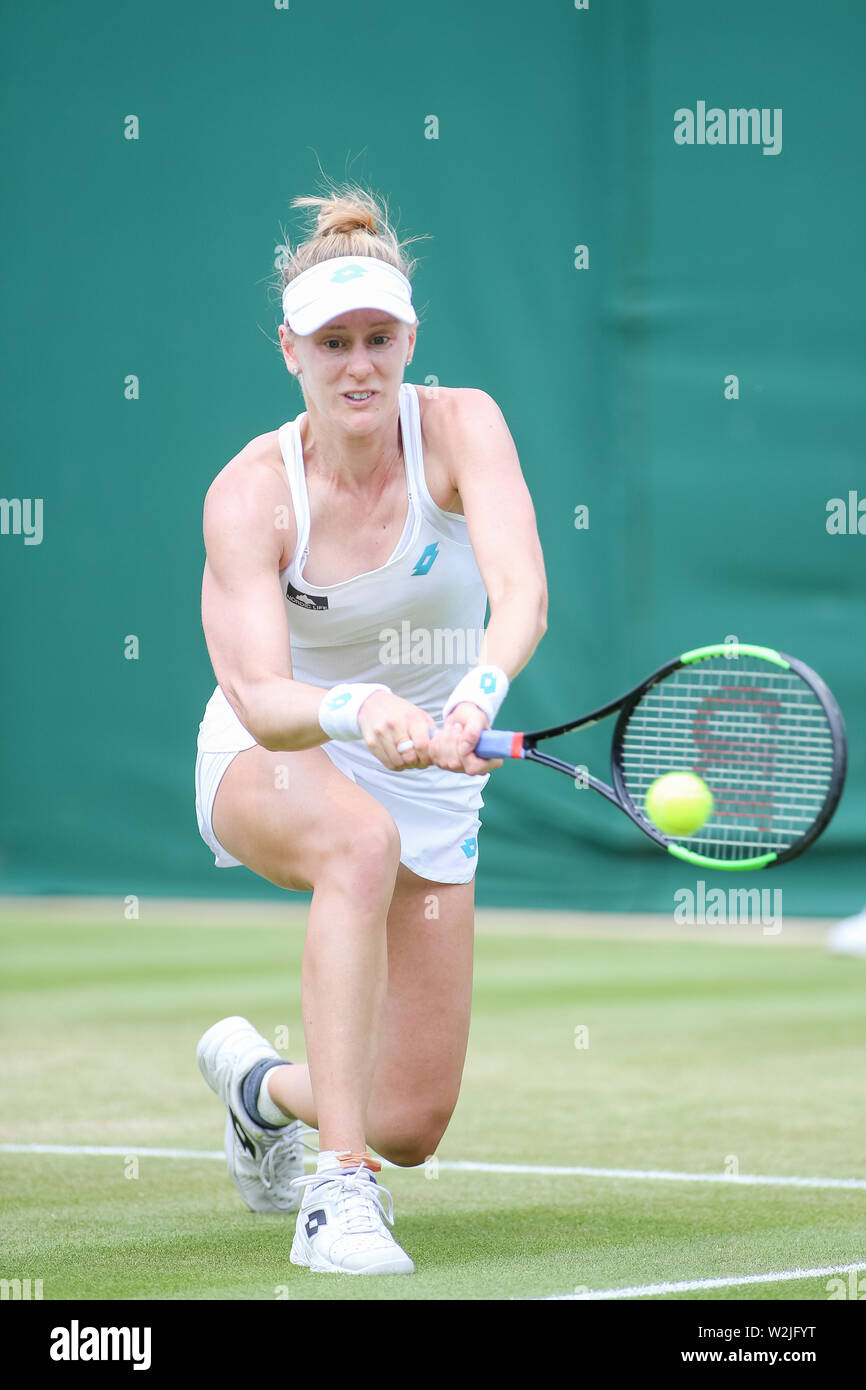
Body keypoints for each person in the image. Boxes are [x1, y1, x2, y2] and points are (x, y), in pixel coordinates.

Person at [194, 184, 547, 1275]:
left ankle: (262, 1092)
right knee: (356, 842)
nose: (358, 365)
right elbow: (259, 693)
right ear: (289, 349)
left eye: (378, 339)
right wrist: (359, 708)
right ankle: (335, 1195)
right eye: (332, 341)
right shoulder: (250, 493)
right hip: (274, 753)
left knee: (410, 1116)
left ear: (409, 341)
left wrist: (473, 698)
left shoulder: (461, 425)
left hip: (434, 770)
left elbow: (519, 594)